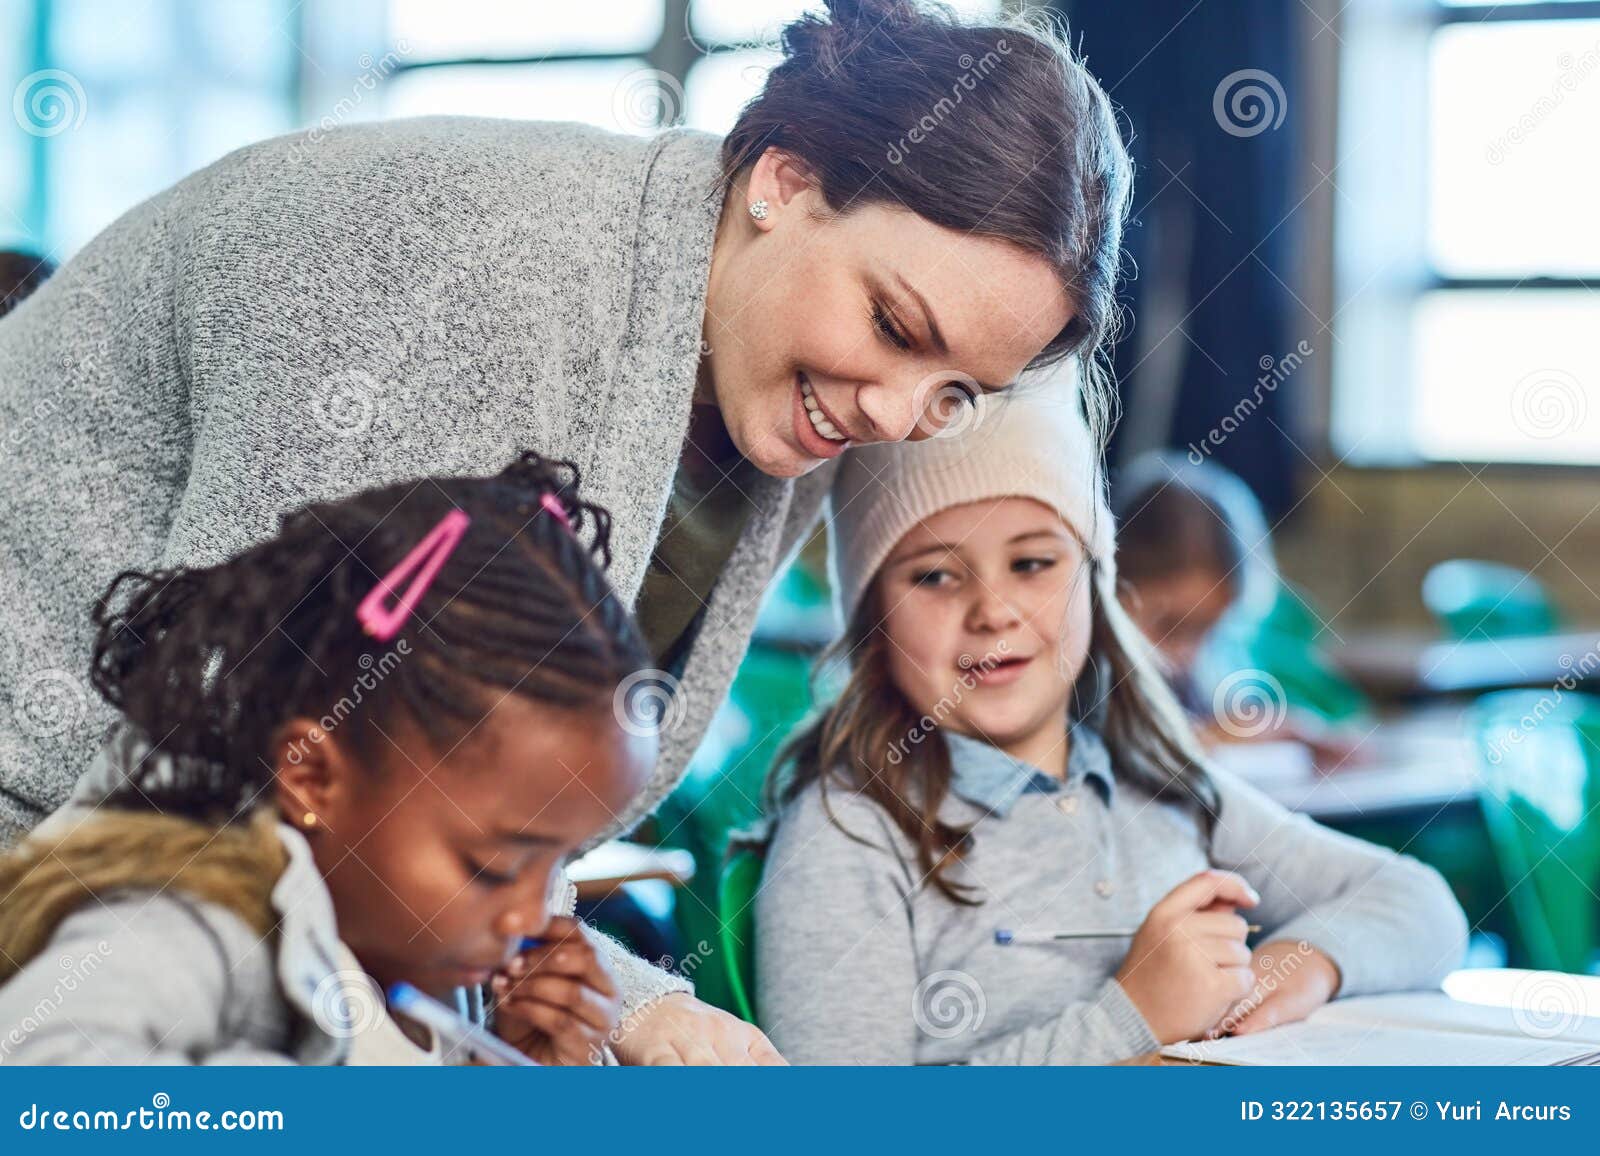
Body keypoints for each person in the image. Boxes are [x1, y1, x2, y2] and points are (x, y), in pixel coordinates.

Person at [0, 0, 1132, 1060]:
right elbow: (221, 775)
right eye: (892, 323)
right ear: (784, 181)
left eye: (954, 393)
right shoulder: (464, 266)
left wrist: (634, 1003)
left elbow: (442, 790)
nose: (894, 413)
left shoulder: (775, 368)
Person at [753, 392, 1466, 1063]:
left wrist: (1301, 964)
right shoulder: (846, 833)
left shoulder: (1157, 782)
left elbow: (1419, 902)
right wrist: (1130, 1017)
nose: (994, 611)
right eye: (936, 577)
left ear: (1095, 586)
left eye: (1033, 563)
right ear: (872, 617)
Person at [0, 452, 664, 1064]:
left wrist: (524, 1069)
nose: (531, 917)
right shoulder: (193, 931)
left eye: (557, 865)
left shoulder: (447, 981)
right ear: (312, 777)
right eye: (493, 866)